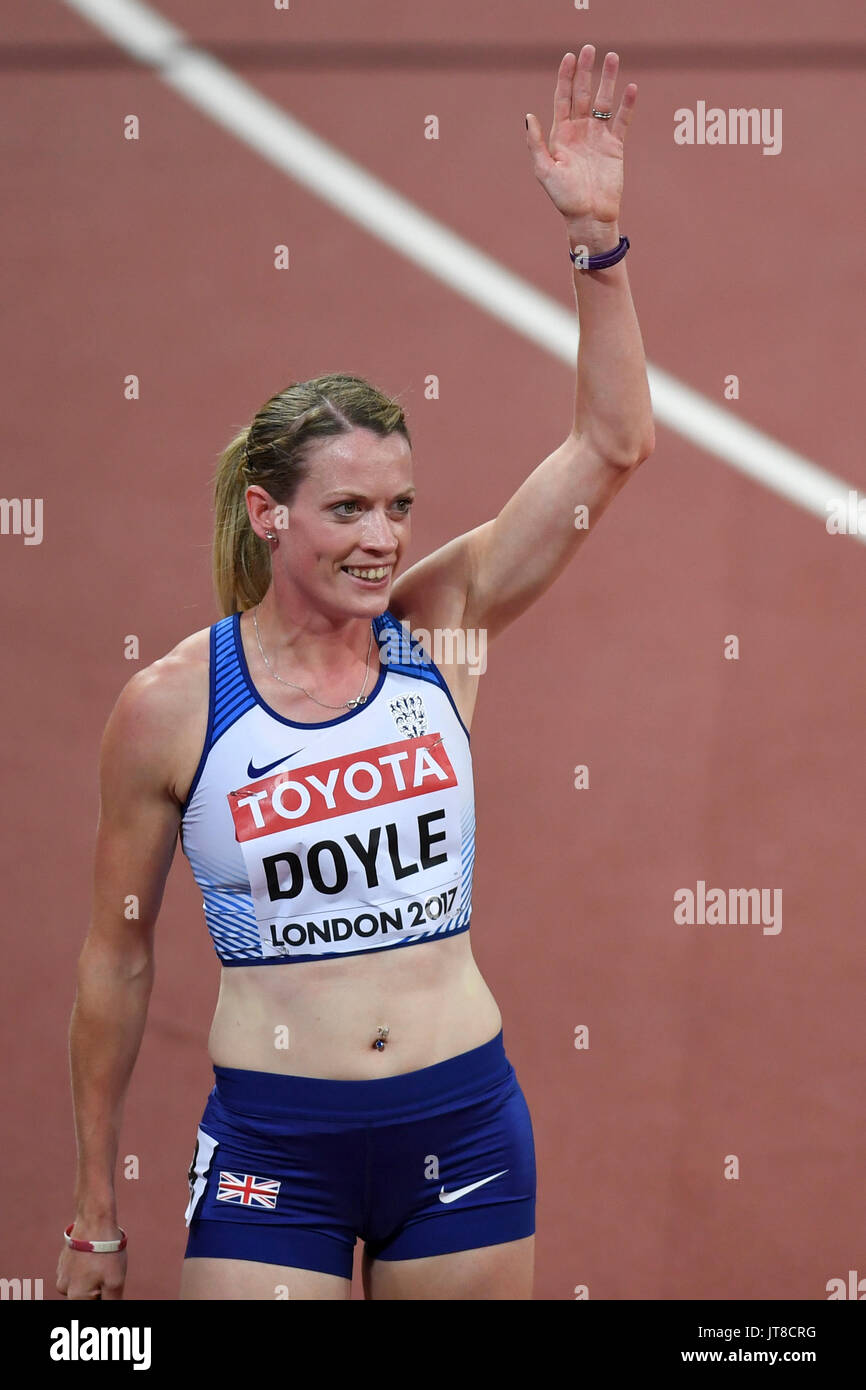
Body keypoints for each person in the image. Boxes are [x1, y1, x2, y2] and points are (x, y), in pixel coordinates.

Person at [56, 44, 653, 1302]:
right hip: (277, 1147)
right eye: (348, 510)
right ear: (269, 516)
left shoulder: (442, 629)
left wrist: (596, 245)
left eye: (398, 505)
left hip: (464, 1126)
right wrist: (95, 1213)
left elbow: (610, 445)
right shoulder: (173, 704)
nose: (383, 537)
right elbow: (116, 959)